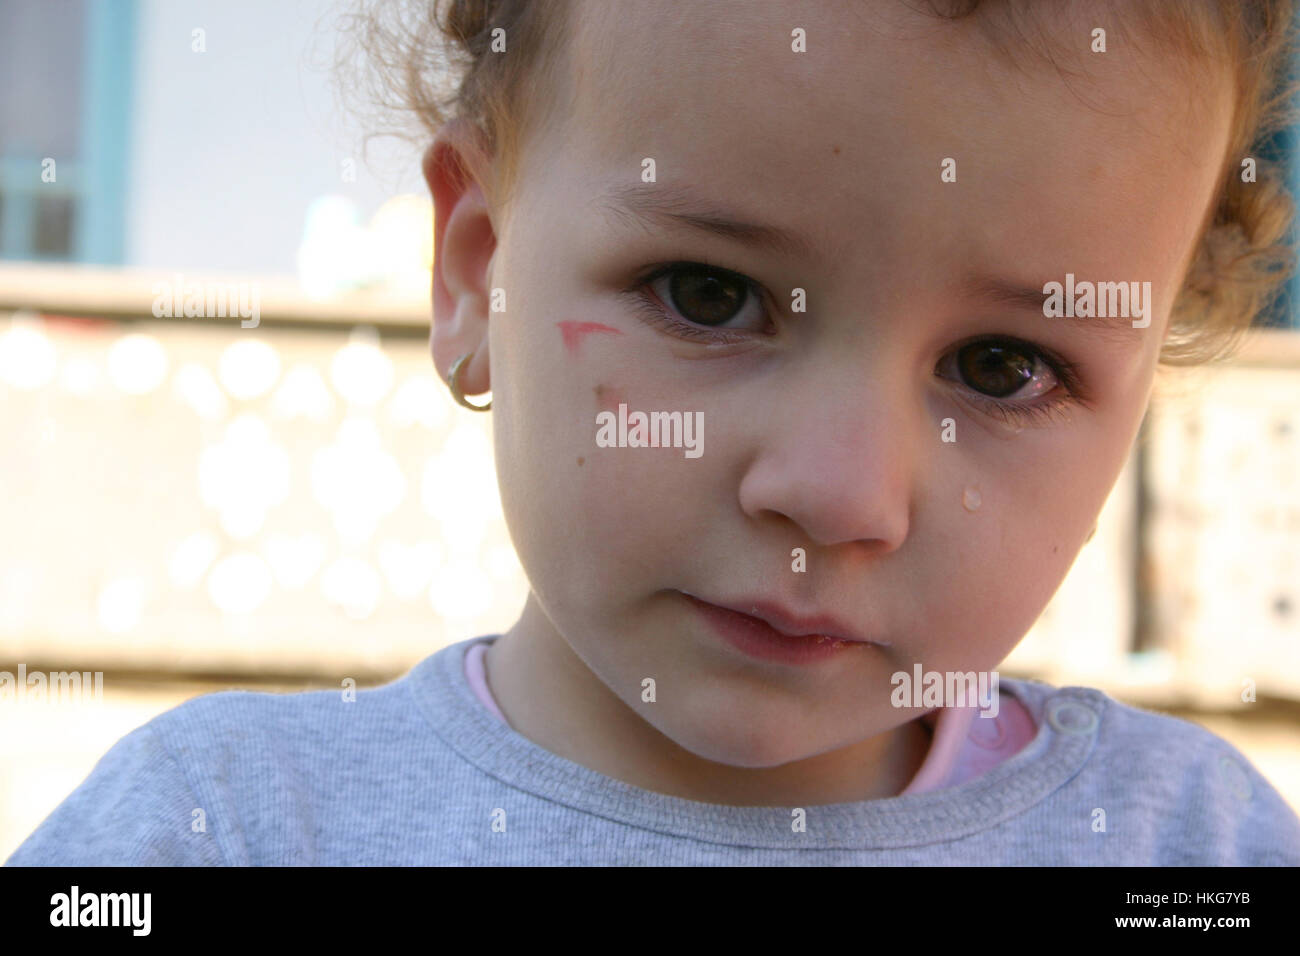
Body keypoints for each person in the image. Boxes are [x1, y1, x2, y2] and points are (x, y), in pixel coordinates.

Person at [9, 0, 1300, 865]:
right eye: (709, 295)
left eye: (1002, 366)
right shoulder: (219, 832)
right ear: (479, 273)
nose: (841, 493)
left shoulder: (1186, 848)